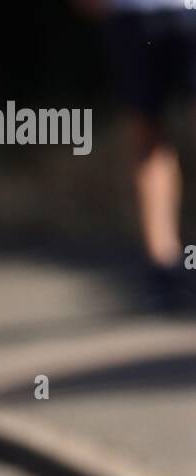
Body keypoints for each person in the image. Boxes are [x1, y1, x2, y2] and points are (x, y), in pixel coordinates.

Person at [75, 0, 196, 311]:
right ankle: (164, 267)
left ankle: (165, 269)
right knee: (147, 139)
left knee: (147, 141)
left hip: (143, 14)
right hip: (137, 14)